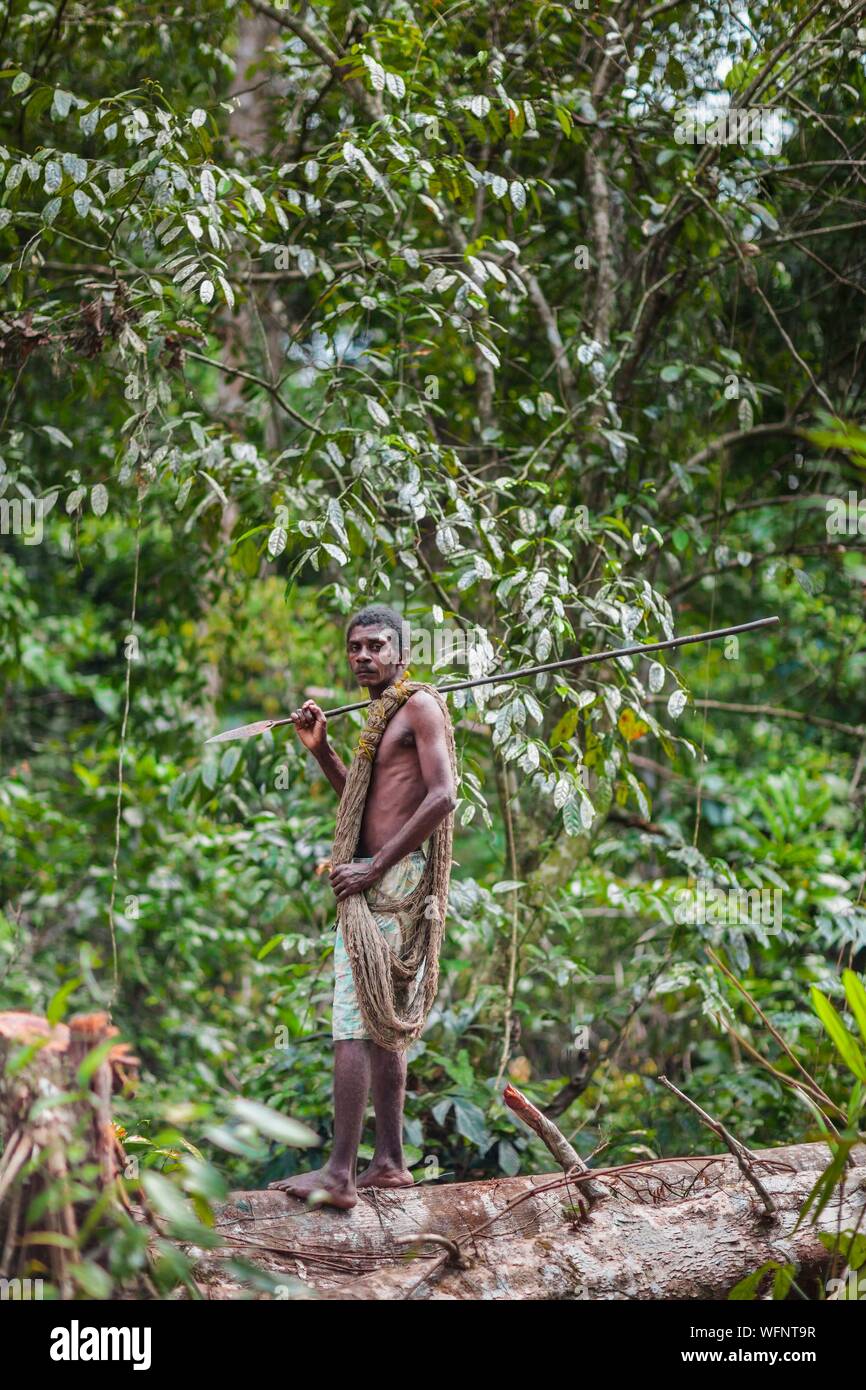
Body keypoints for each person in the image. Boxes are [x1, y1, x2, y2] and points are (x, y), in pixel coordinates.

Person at [268, 606, 456, 1209]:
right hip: (377, 879)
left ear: (401, 653)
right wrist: (322, 751)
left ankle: (340, 1174)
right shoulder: (379, 716)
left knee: (353, 1025)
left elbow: (442, 797)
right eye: (354, 648)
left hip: (390, 882)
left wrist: (374, 867)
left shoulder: (418, 706)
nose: (363, 657)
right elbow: (367, 802)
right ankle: (391, 1162)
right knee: (376, 1027)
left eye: (376, 646)